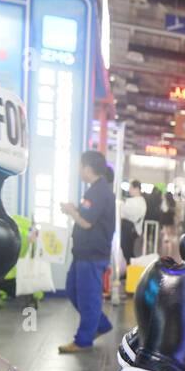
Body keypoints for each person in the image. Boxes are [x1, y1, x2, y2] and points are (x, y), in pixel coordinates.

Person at [58, 150, 117, 353]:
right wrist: (76, 208)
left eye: (80, 165)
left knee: (88, 298)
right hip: (83, 253)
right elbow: (88, 215)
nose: (78, 170)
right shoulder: (95, 190)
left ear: (88, 167)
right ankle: (100, 325)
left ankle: (83, 340)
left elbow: (86, 222)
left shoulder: (98, 192)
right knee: (73, 290)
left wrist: (70, 211)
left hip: (92, 255)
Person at [120, 179, 146, 270]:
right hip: (133, 230)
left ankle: (131, 271)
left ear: (137, 189)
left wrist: (122, 207)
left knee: (128, 251)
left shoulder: (136, 201)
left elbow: (127, 213)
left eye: (131, 188)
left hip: (130, 229)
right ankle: (130, 271)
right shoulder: (140, 201)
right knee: (128, 251)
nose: (129, 190)